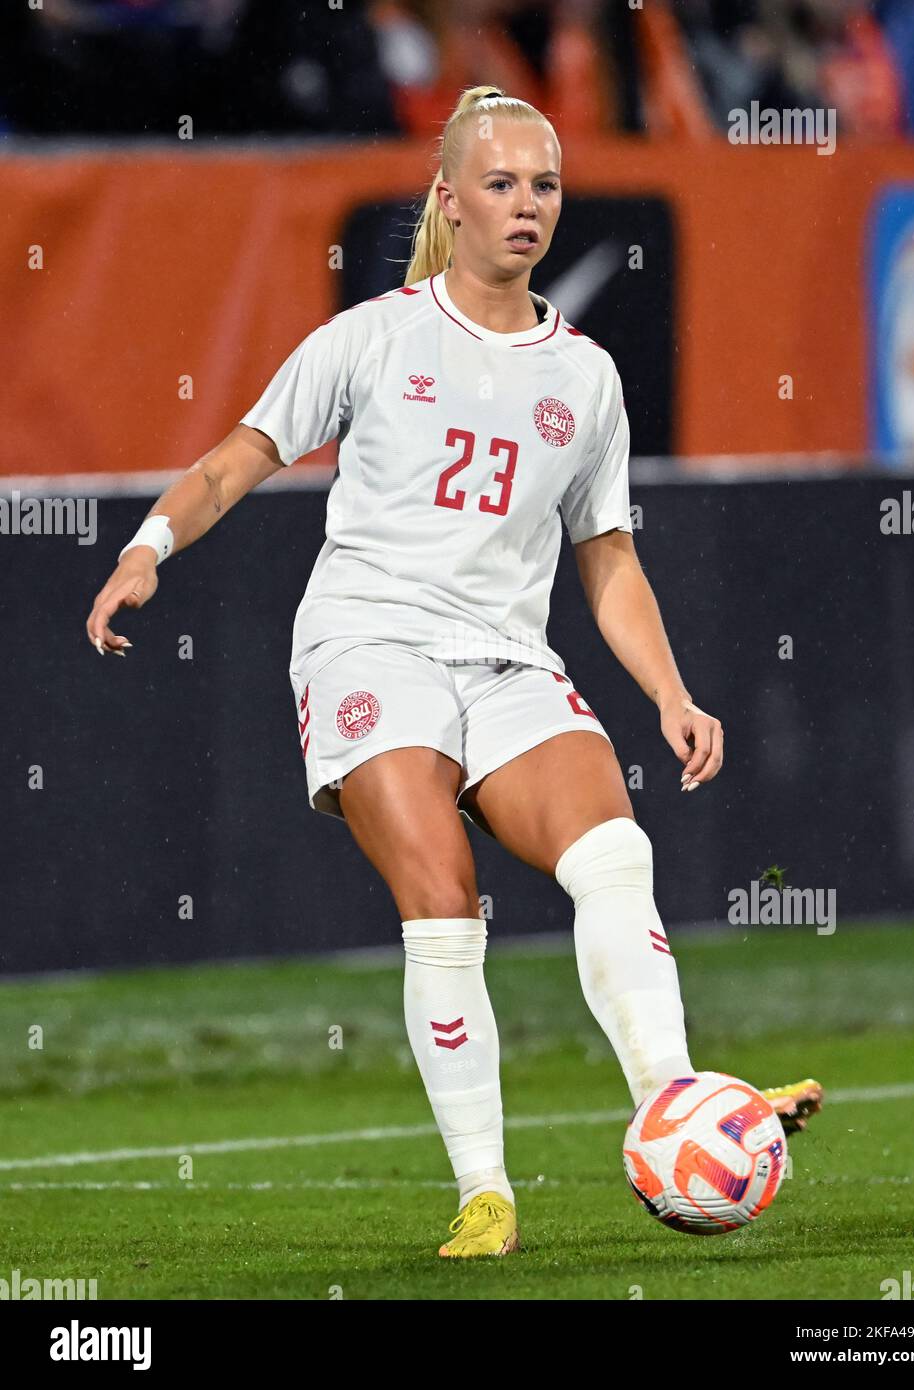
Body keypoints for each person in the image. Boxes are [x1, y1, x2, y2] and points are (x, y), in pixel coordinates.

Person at [86, 83, 822, 1259]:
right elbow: (236, 459)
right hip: (369, 642)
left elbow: (609, 556)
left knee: (615, 853)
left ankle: (681, 1107)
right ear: (451, 200)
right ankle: (487, 1194)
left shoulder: (585, 376)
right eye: (502, 183)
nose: (528, 205)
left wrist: (672, 694)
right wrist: (147, 547)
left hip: (506, 658)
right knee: (442, 898)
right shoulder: (374, 338)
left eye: (546, 185)